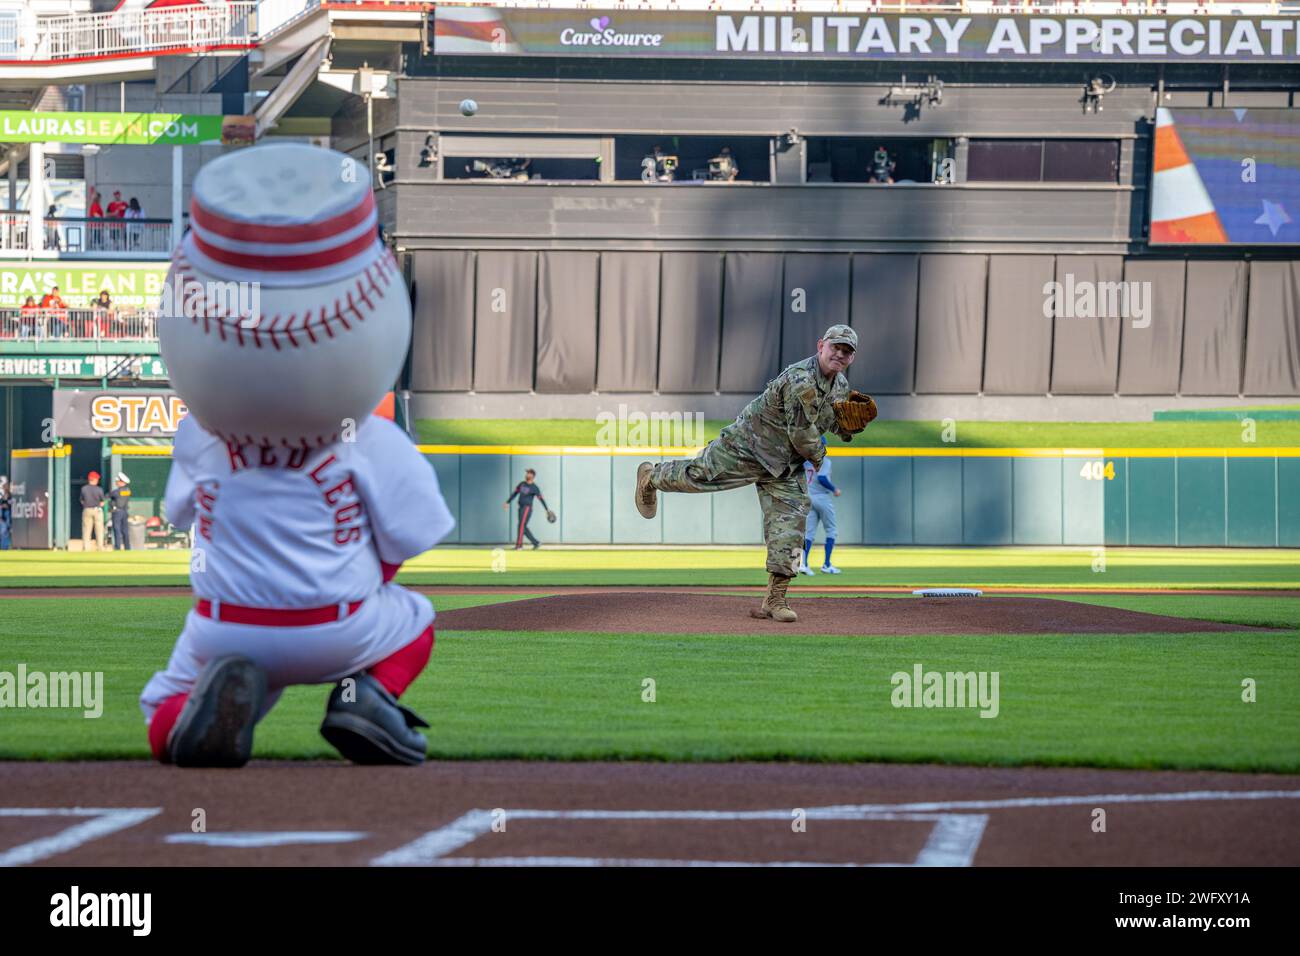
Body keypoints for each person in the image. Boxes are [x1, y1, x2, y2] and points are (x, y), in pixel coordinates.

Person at [139, 141, 455, 769]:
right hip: (338, 627)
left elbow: (180, 515)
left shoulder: (200, 436)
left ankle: (190, 724)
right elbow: (409, 541)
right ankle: (361, 696)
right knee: (416, 617)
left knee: (165, 708)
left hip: (224, 626)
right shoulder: (369, 438)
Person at [636, 324, 868, 623]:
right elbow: (801, 434)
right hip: (747, 446)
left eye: (847, 351)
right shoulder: (800, 379)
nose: (840, 353)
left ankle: (775, 599)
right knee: (698, 475)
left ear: (852, 358)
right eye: (836, 346)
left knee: (791, 528)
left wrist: (850, 428)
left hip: (785, 467)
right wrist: (821, 457)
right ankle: (651, 478)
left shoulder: (840, 387)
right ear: (821, 345)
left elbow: (832, 423)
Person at [800, 437, 842, 576]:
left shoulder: (806, 461)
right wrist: (834, 489)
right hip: (822, 498)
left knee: (809, 533)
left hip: (809, 497)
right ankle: (827, 565)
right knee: (831, 530)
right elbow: (823, 478)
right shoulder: (824, 460)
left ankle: (803, 564)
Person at [504, 468, 548, 550]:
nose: (526, 474)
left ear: (532, 476)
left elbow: (541, 498)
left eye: (528, 473)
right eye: (526, 473)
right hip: (521, 508)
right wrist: (508, 502)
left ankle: (519, 546)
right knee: (522, 526)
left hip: (527, 508)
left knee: (521, 525)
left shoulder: (534, 487)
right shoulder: (522, 484)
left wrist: (546, 509)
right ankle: (536, 543)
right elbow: (515, 493)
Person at [80, 471, 106, 551]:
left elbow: (81, 500)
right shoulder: (99, 489)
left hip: (87, 509)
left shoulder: (84, 489)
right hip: (97, 510)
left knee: (86, 530)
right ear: (95, 480)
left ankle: (86, 547)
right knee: (99, 530)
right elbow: (102, 502)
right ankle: (100, 547)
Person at [109, 473, 132, 550]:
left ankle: (117, 547)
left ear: (121, 482)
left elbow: (110, 495)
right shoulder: (127, 491)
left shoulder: (116, 492)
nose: (116, 482)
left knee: (117, 529)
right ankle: (127, 547)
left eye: (118, 481)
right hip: (125, 512)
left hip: (117, 512)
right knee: (125, 530)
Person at [0, 476, 12, 550]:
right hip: (2, 513)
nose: (6, 485)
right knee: (4, 530)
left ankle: (5, 547)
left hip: (7, 513)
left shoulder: (8, 493)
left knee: (6, 529)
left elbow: (9, 502)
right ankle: (4, 547)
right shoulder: (1, 492)